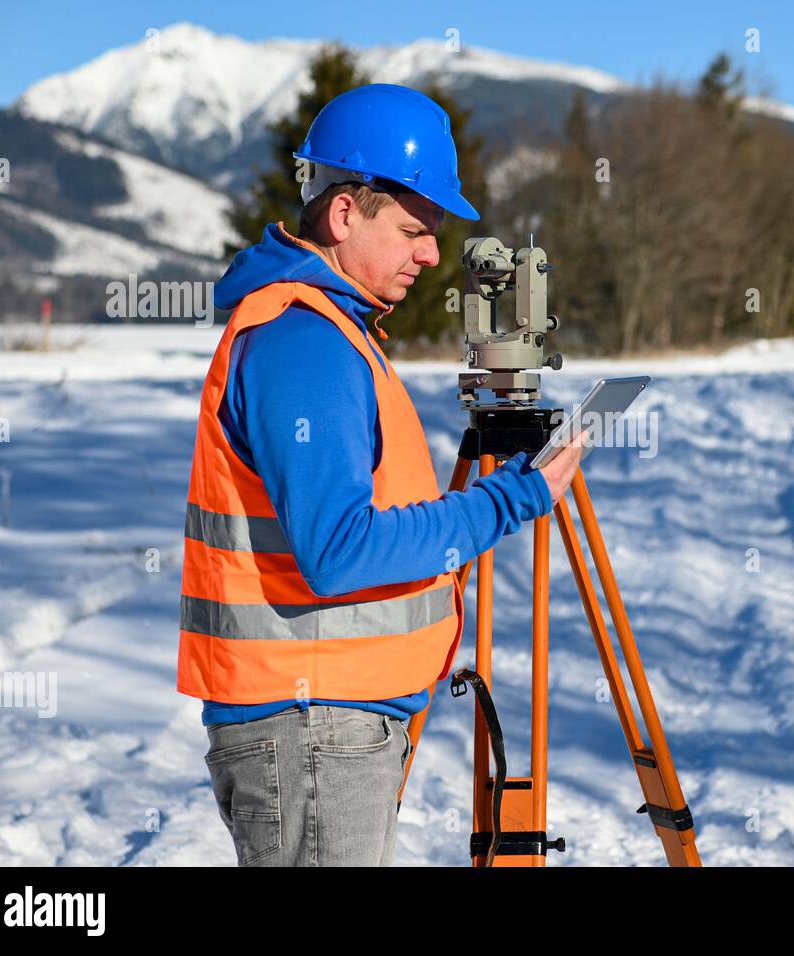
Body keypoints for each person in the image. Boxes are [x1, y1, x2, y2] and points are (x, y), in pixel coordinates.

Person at [176, 84, 584, 866]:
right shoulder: (306, 343)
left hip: (318, 726)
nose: (432, 255)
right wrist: (515, 498)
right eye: (411, 231)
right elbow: (339, 551)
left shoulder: (328, 331)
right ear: (343, 215)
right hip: (310, 730)